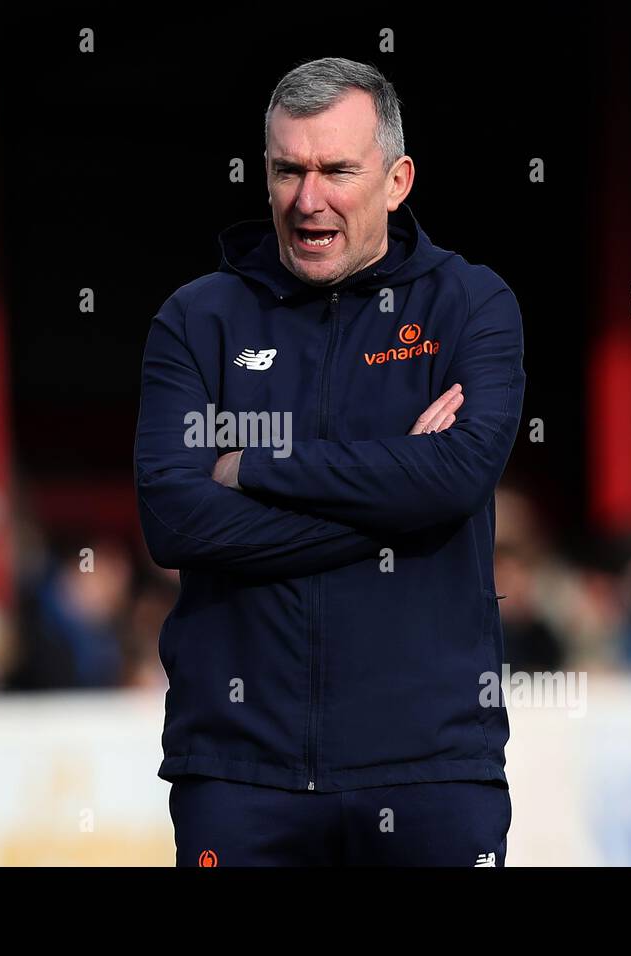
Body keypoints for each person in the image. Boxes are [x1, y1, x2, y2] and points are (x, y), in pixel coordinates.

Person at [133, 57, 526, 865]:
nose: (308, 199)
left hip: (433, 773)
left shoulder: (470, 303)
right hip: (238, 777)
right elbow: (173, 522)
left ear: (396, 179)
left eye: (337, 170)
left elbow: (457, 477)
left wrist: (253, 469)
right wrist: (397, 502)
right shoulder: (196, 317)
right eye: (288, 170)